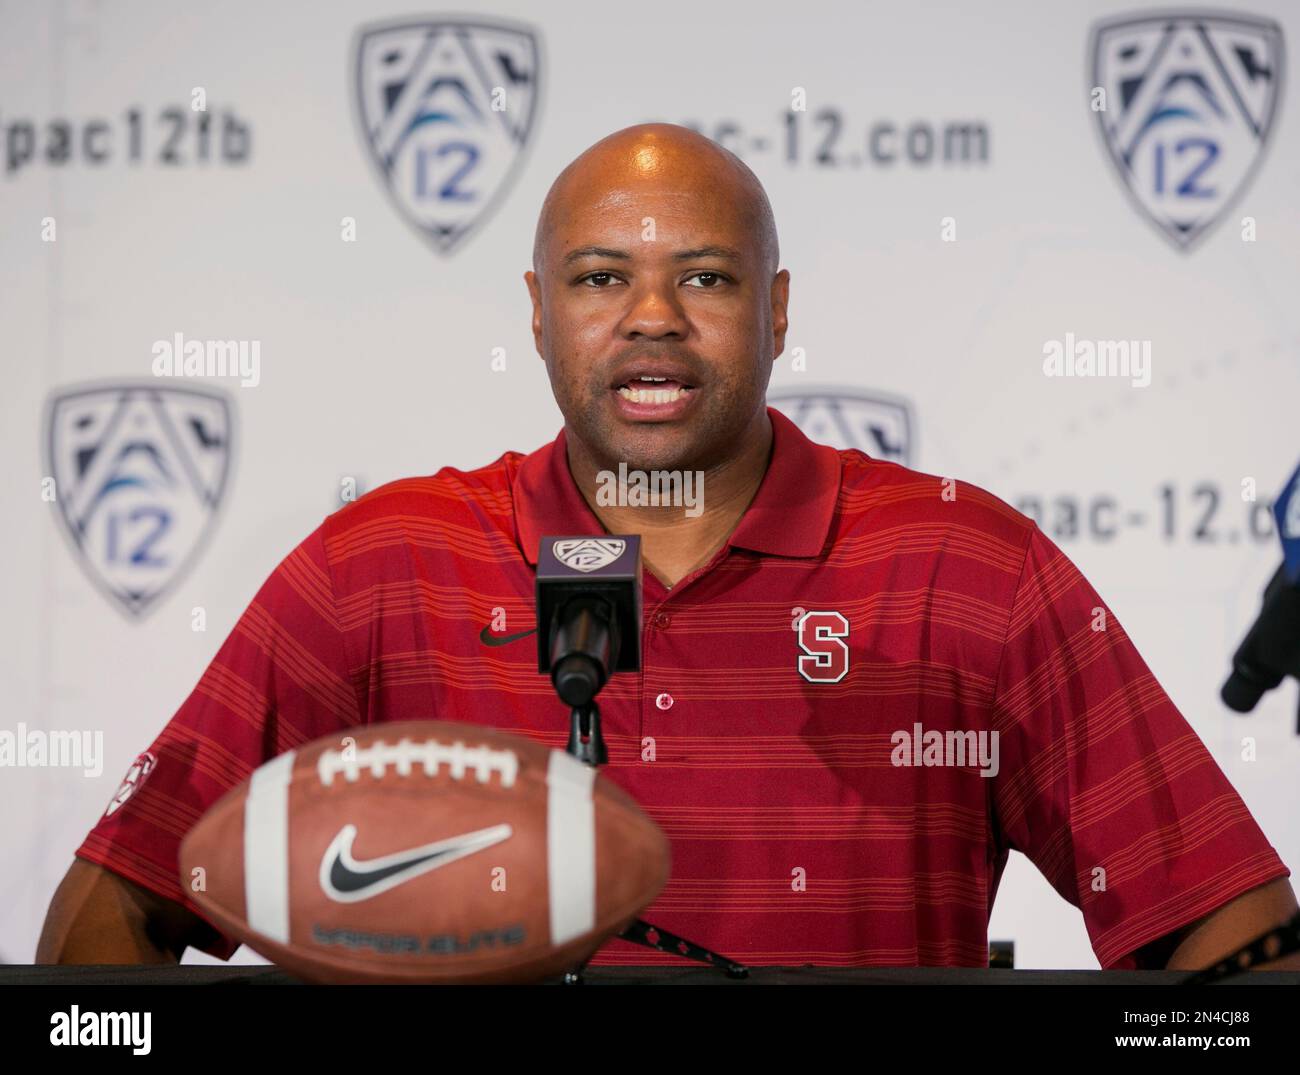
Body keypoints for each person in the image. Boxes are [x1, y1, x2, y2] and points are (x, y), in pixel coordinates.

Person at [38, 123, 1295, 971]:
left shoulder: (964, 567)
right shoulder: (383, 565)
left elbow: (1227, 923)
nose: (650, 317)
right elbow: (119, 902)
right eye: (596, 279)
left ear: (779, 308)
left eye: (703, 277)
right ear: (535, 313)